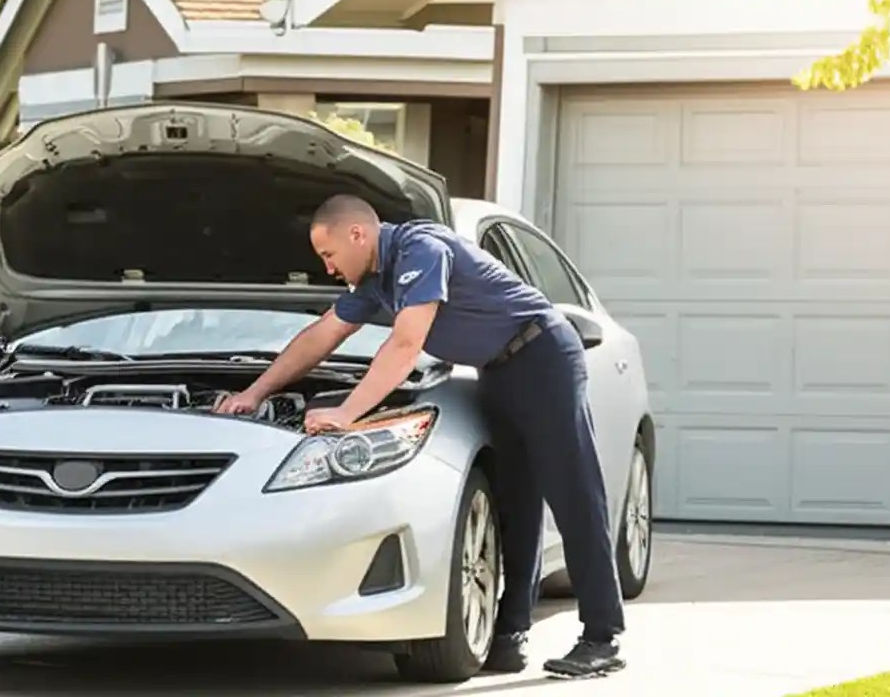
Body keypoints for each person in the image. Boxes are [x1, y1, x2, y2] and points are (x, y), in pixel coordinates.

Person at [213, 194, 626, 677]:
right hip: (497, 367)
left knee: (572, 492)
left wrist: (347, 412)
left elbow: (406, 342)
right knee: (516, 500)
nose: (326, 268)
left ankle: (603, 638)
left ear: (357, 235)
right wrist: (254, 391)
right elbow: (321, 335)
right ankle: (510, 635)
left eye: (328, 256)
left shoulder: (421, 249)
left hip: (543, 356)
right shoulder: (372, 281)